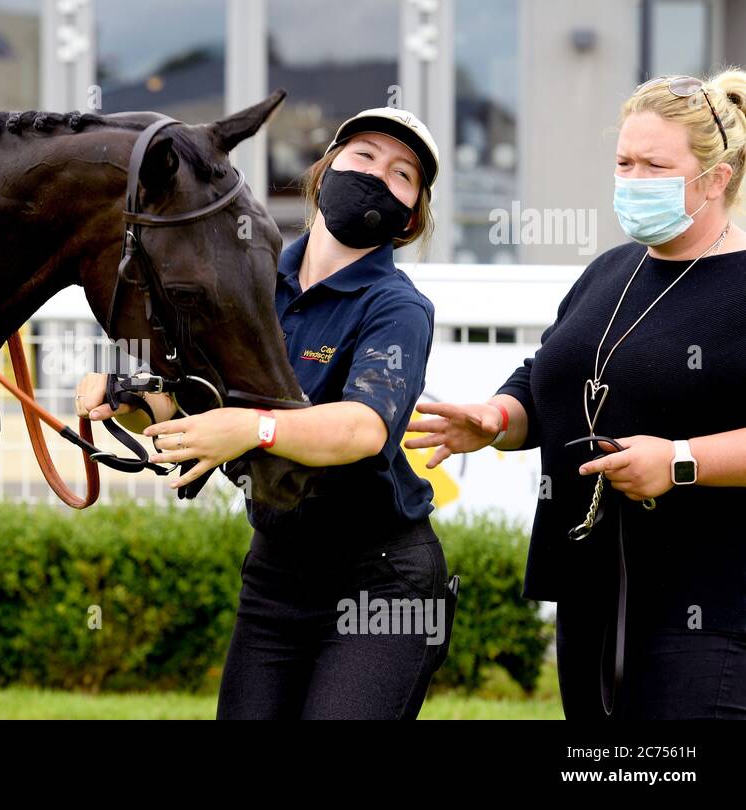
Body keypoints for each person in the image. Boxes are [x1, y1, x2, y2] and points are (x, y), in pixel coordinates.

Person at [77, 108, 453, 719]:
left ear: (411, 215)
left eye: (402, 172)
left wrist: (254, 428)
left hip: (382, 581)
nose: (378, 176)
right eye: (363, 156)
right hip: (275, 576)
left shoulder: (398, 306)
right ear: (325, 169)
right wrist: (129, 397)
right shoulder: (252, 283)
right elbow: (200, 405)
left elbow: (364, 427)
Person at [405, 69, 746, 719]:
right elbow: (550, 375)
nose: (633, 178)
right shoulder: (611, 270)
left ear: (716, 179)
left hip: (706, 613)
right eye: (624, 161)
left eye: (655, 165)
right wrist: (497, 417)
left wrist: (679, 462)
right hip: (590, 596)